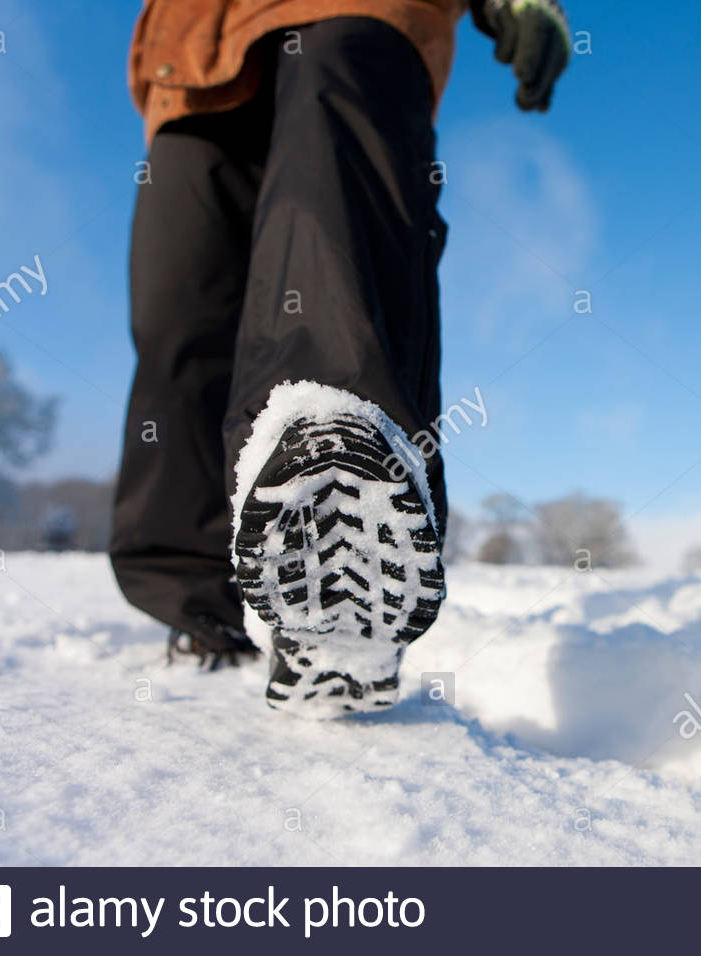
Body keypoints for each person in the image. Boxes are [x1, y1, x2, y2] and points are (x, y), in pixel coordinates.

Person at [109, 0, 571, 716]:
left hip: (361, 7)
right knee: (183, 307)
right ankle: (199, 609)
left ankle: (337, 471)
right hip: (193, 47)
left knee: (333, 197)